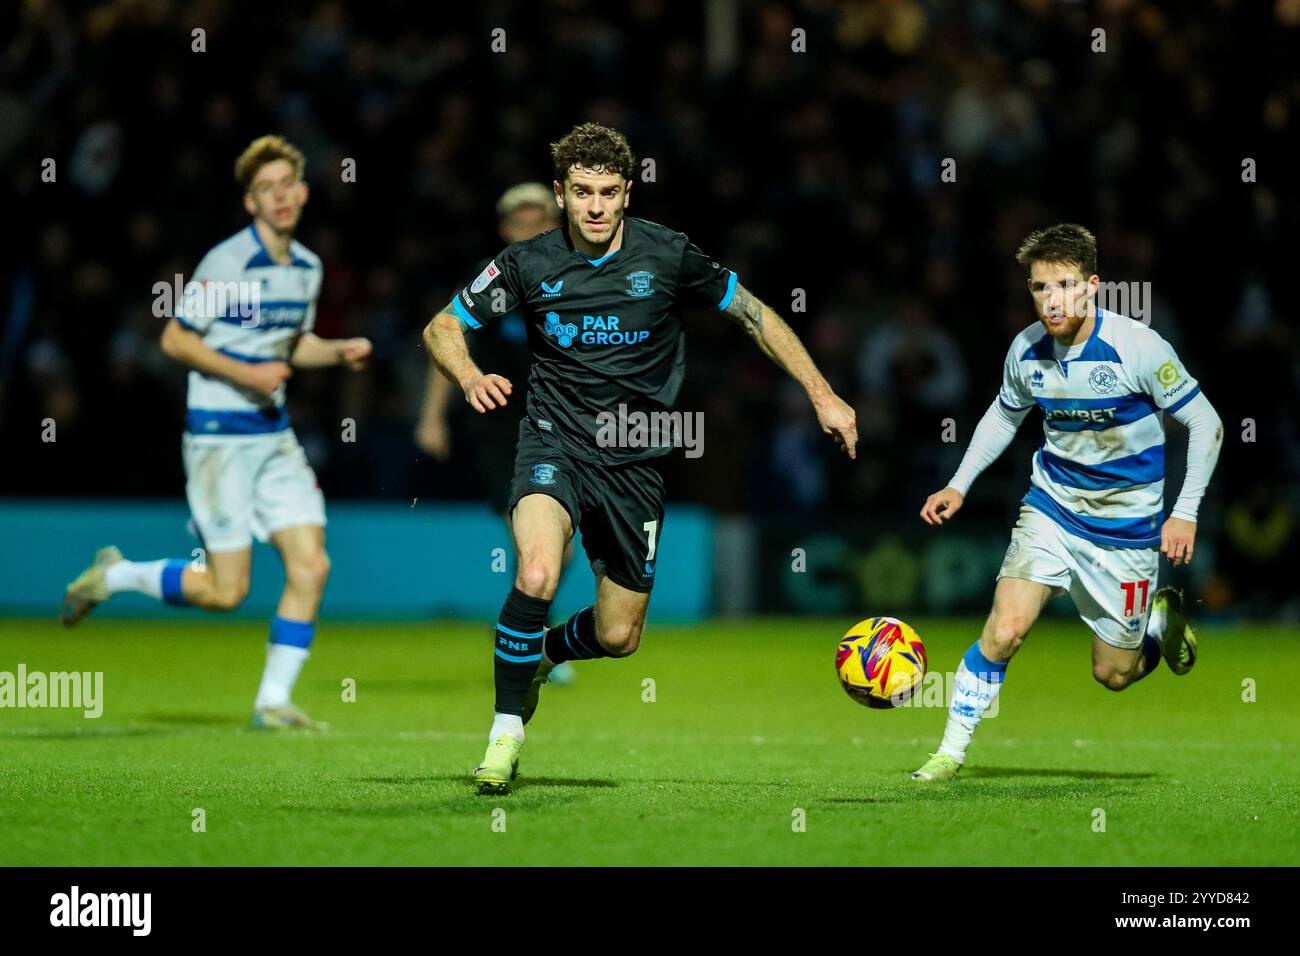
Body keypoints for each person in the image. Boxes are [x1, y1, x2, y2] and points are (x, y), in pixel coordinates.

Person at [423, 123, 858, 793]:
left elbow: (755, 315)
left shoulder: (668, 255)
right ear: (563, 195)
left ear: (627, 192)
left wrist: (824, 394)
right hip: (553, 442)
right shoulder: (527, 262)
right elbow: (442, 326)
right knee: (537, 572)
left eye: (607, 192)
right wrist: (468, 374)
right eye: (580, 193)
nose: (595, 207)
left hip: (633, 456)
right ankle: (504, 736)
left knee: (618, 636)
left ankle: (537, 653)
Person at [60, 135, 372, 730]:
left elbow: (290, 345)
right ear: (251, 203)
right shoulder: (229, 263)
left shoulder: (306, 267)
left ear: (303, 193)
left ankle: (273, 701)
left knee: (312, 568)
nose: (279, 196)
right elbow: (176, 338)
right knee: (227, 592)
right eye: (265, 189)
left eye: (287, 185)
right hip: (219, 440)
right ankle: (117, 574)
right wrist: (247, 372)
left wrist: (335, 351)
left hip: (273, 436)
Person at [913, 223, 1223, 781]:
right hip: (1052, 508)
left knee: (1113, 675)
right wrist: (959, 483)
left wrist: (1185, 511)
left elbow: (1206, 421)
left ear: (1092, 286)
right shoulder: (1026, 350)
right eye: (1039, 288)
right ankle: (949, 753)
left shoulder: (1137, 347)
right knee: (1005, 629)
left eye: (1064, 285)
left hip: (1127, 530)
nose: (1052, 301)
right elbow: (1004, 415)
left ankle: (1160, 628)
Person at [415, 183, 575, 687]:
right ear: (505, 230)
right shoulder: (493, 279)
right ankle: (529, 638)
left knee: (562, 549)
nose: (531, 228)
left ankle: (521, 628)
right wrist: (431, 416)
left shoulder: (578, 274)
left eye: (540, 218)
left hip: (563, 419)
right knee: (530, 535)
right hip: (499, 423)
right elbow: (445, 336)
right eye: (519, 221)